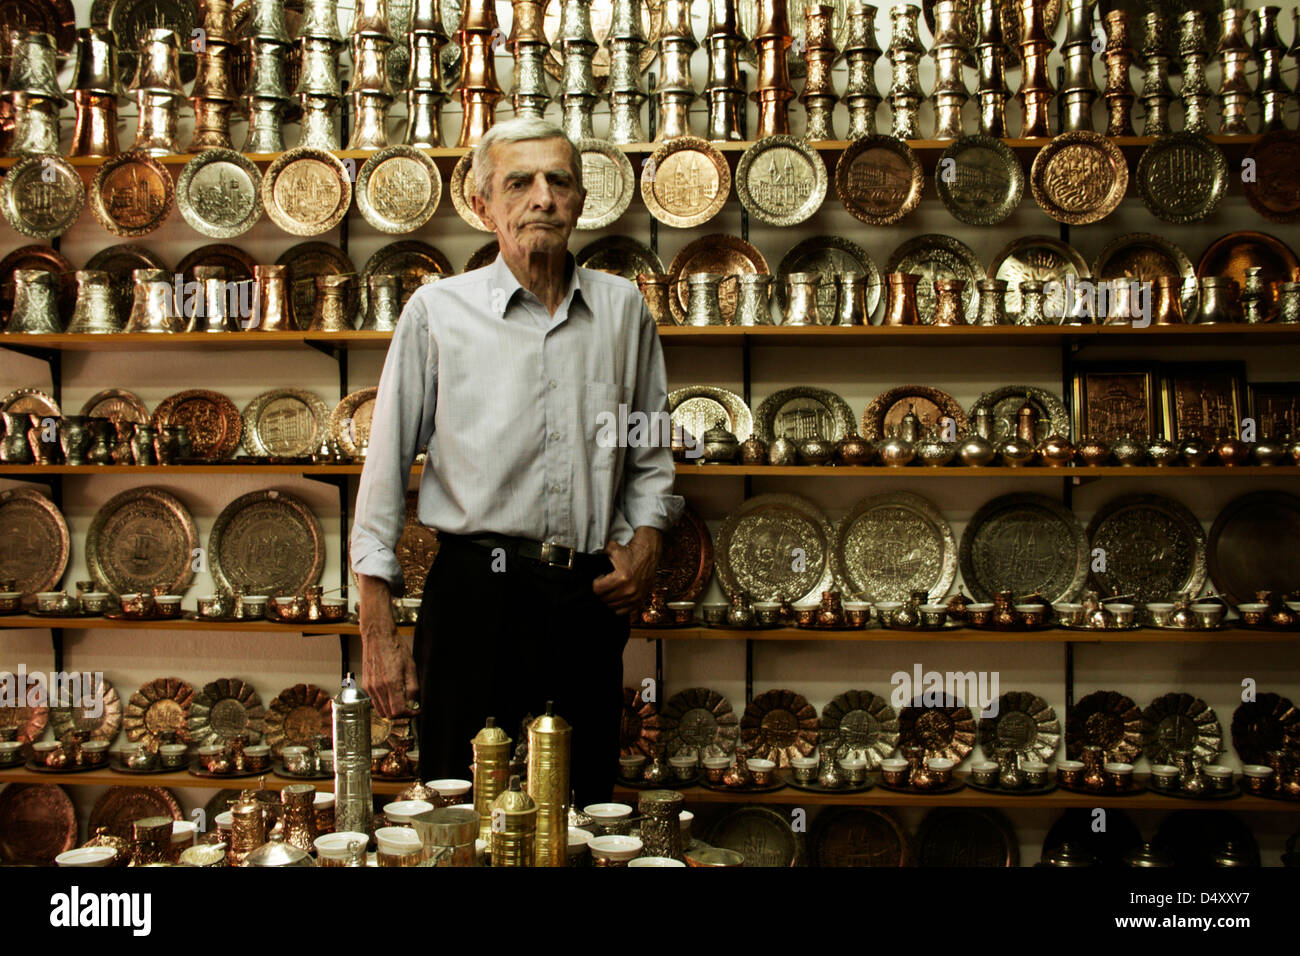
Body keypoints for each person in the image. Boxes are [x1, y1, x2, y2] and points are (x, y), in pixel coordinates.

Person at [350, 117, 683, 806]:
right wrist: (377, 628)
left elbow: (650, 447)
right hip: (475, 595)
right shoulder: (436, 313)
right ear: (483, 206)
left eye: (559, 181)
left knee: (585, 804)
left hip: (587, 598)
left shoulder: (624, 312)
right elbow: (382, 470)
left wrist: (646, 540)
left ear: (581, 201)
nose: (542, 197)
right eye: (519, 182)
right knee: (461, 804)